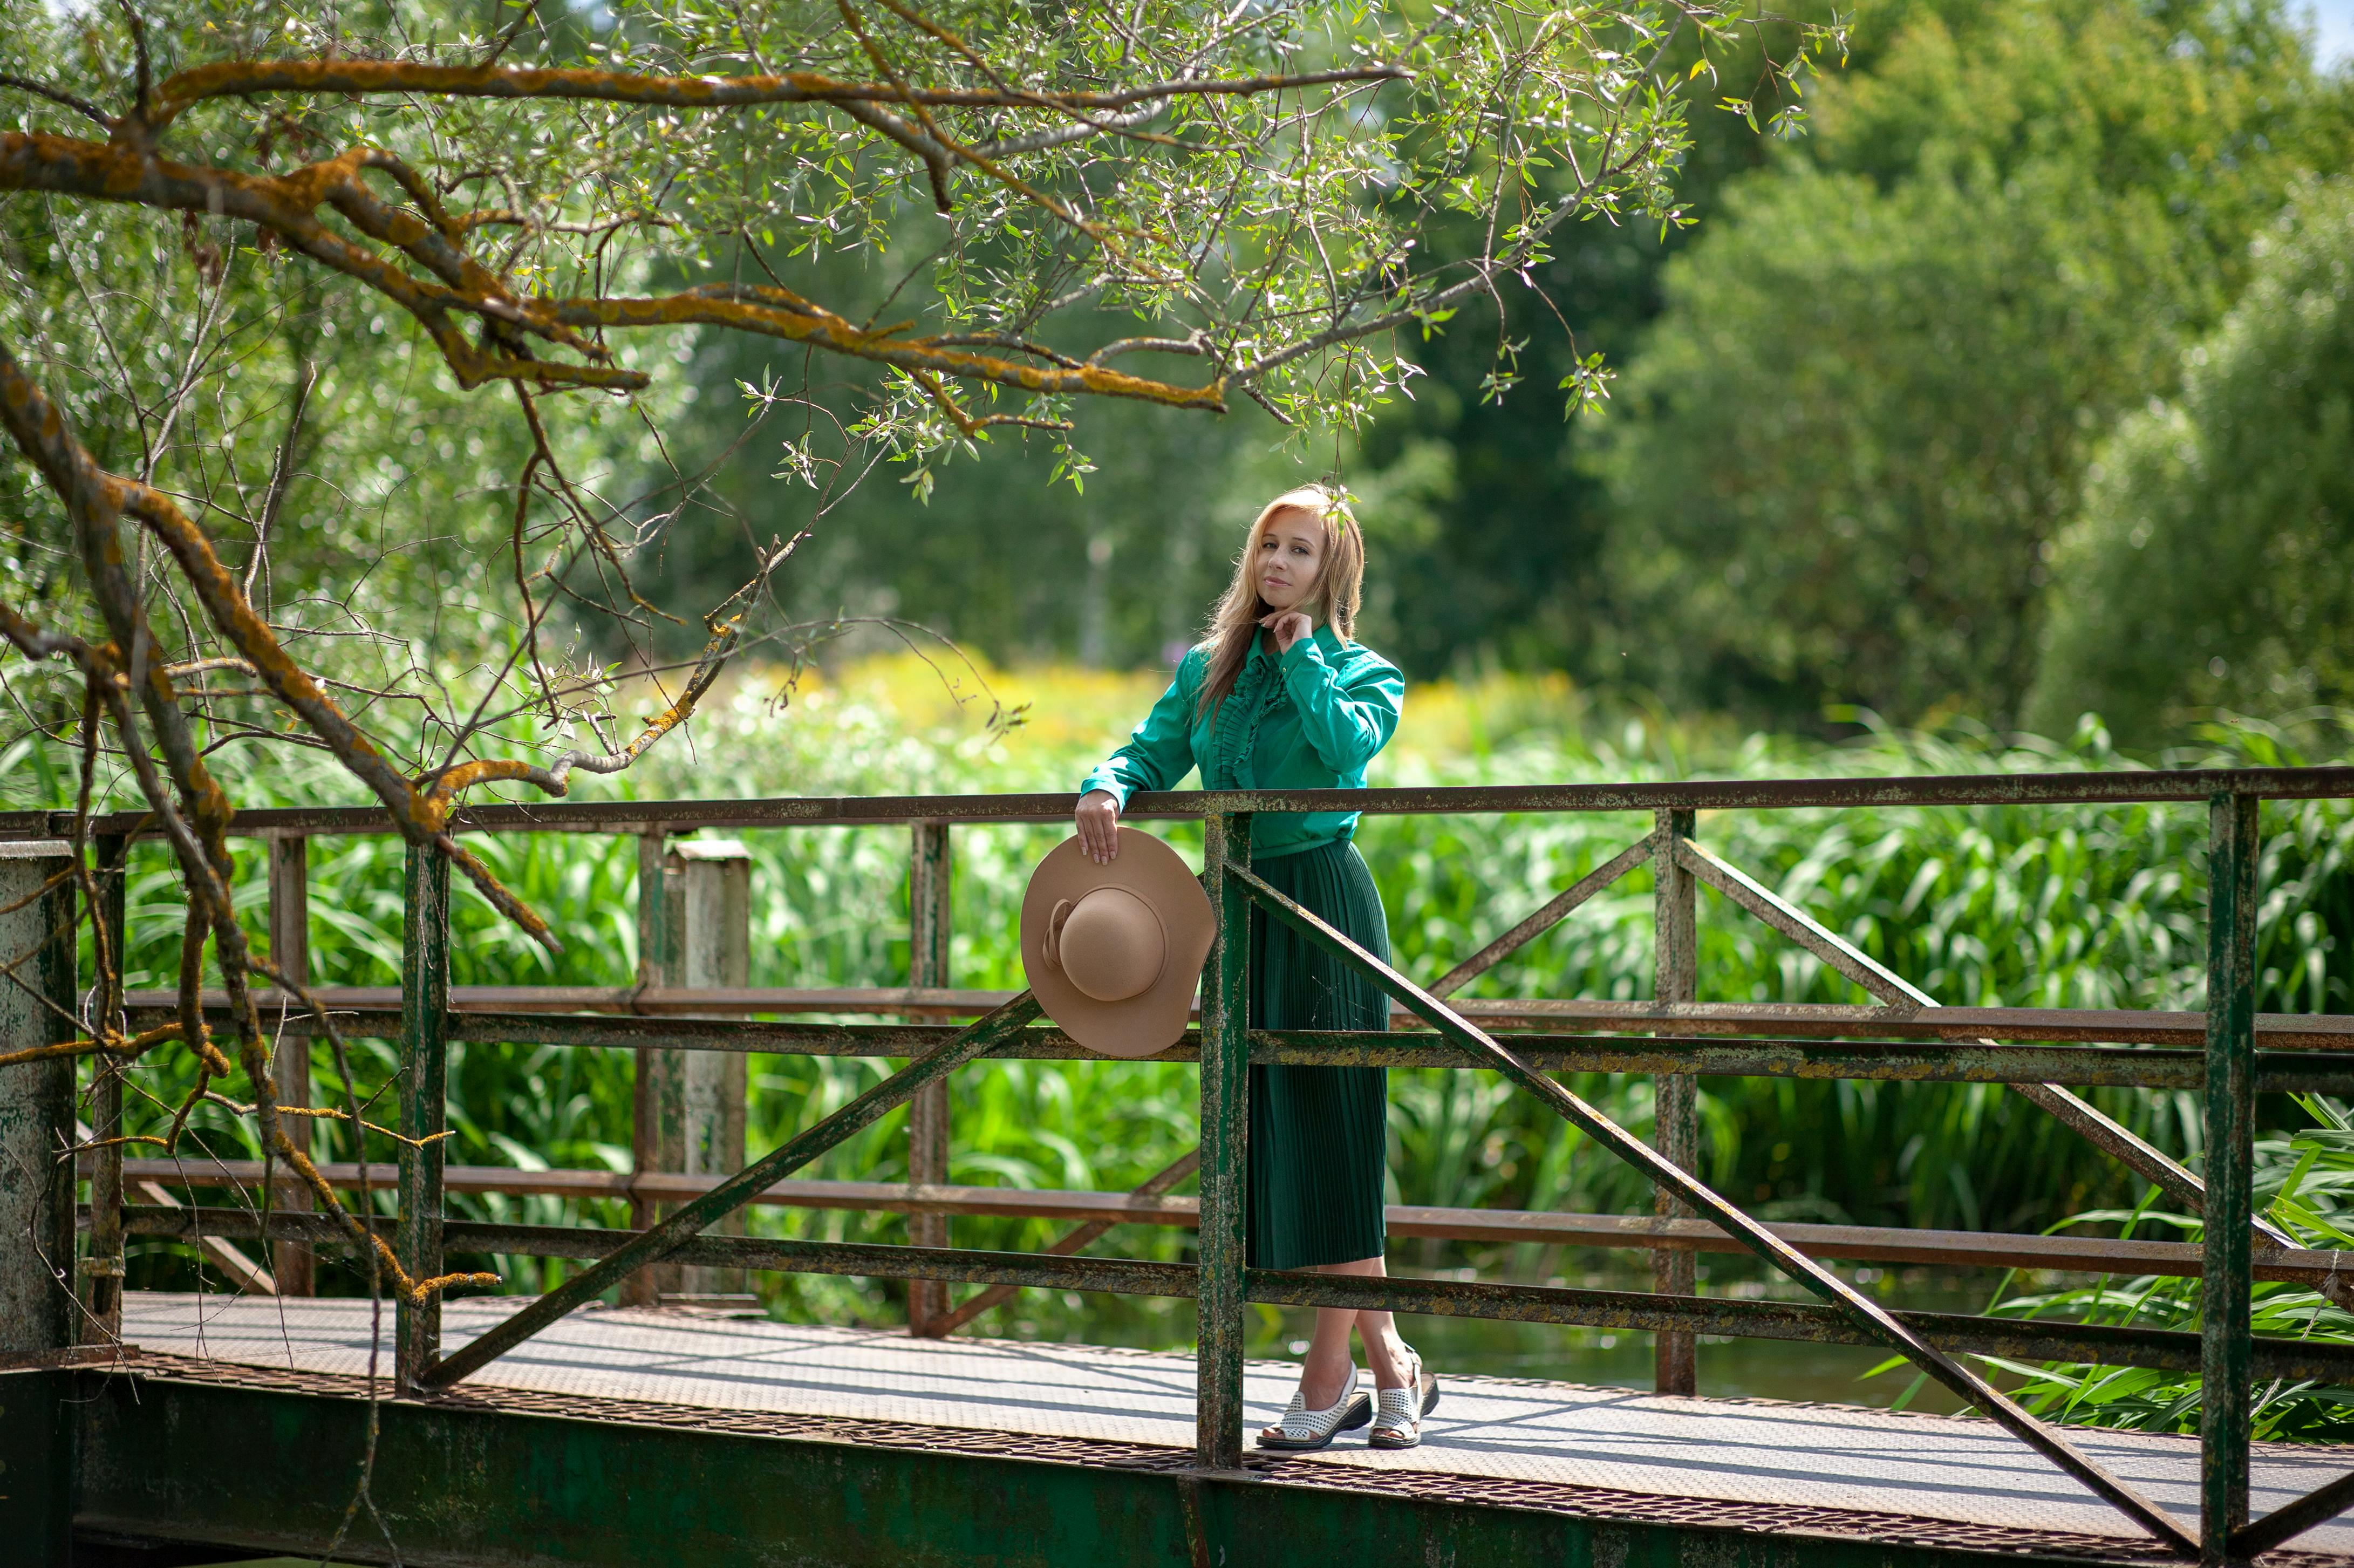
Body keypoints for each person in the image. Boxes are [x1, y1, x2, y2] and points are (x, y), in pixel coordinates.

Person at [1073, 483, 1438, 1451]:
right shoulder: (1208, 667)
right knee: (1273, 1135)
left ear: (1334, 573)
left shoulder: (1367, 672)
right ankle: (1391, 1356)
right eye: (1269, 545)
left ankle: (1331, 1374)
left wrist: (1304, 651)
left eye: (1302, 551)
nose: (1278, 562)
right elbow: (1148, 754)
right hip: (1235, 913)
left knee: (1334, 1126)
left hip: (1321, 902)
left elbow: (1346, 750)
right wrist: (1106, 784)